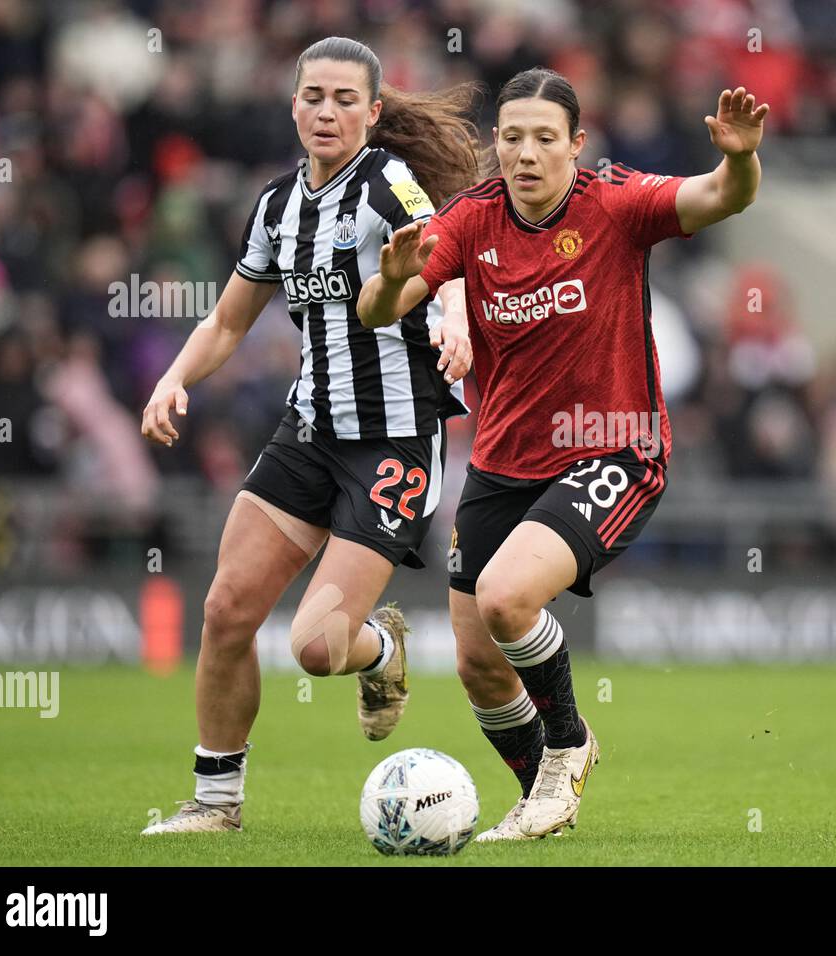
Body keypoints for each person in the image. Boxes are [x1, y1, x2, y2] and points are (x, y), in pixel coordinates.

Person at [359, 68, 769, 839]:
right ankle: (541, 798)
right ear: (496, 146)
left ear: (575, 146)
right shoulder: (471, 220)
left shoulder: (615, 202)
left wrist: (740, 159)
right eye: (511, 138)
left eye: (545, 138)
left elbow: (721, 196)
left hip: (613, 449)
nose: (526, 153)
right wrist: (387, 286)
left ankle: (571, 747)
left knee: (508, 597)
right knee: (479, 662)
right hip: (502, 463)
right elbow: (385, 305)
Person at [139, 36, 480, 834]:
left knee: (319, 647)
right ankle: (216, 804)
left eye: (344, 99)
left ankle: (383, 652)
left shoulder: (389, 184)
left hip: (394, 443)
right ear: (294, 105)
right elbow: (230, 320)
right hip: (309, 433)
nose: (327, 111)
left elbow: (451, 259)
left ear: (372, 111)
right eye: (313, 97)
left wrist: (457, 323)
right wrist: (173, 380)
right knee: (225, 610)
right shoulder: (275, 206)